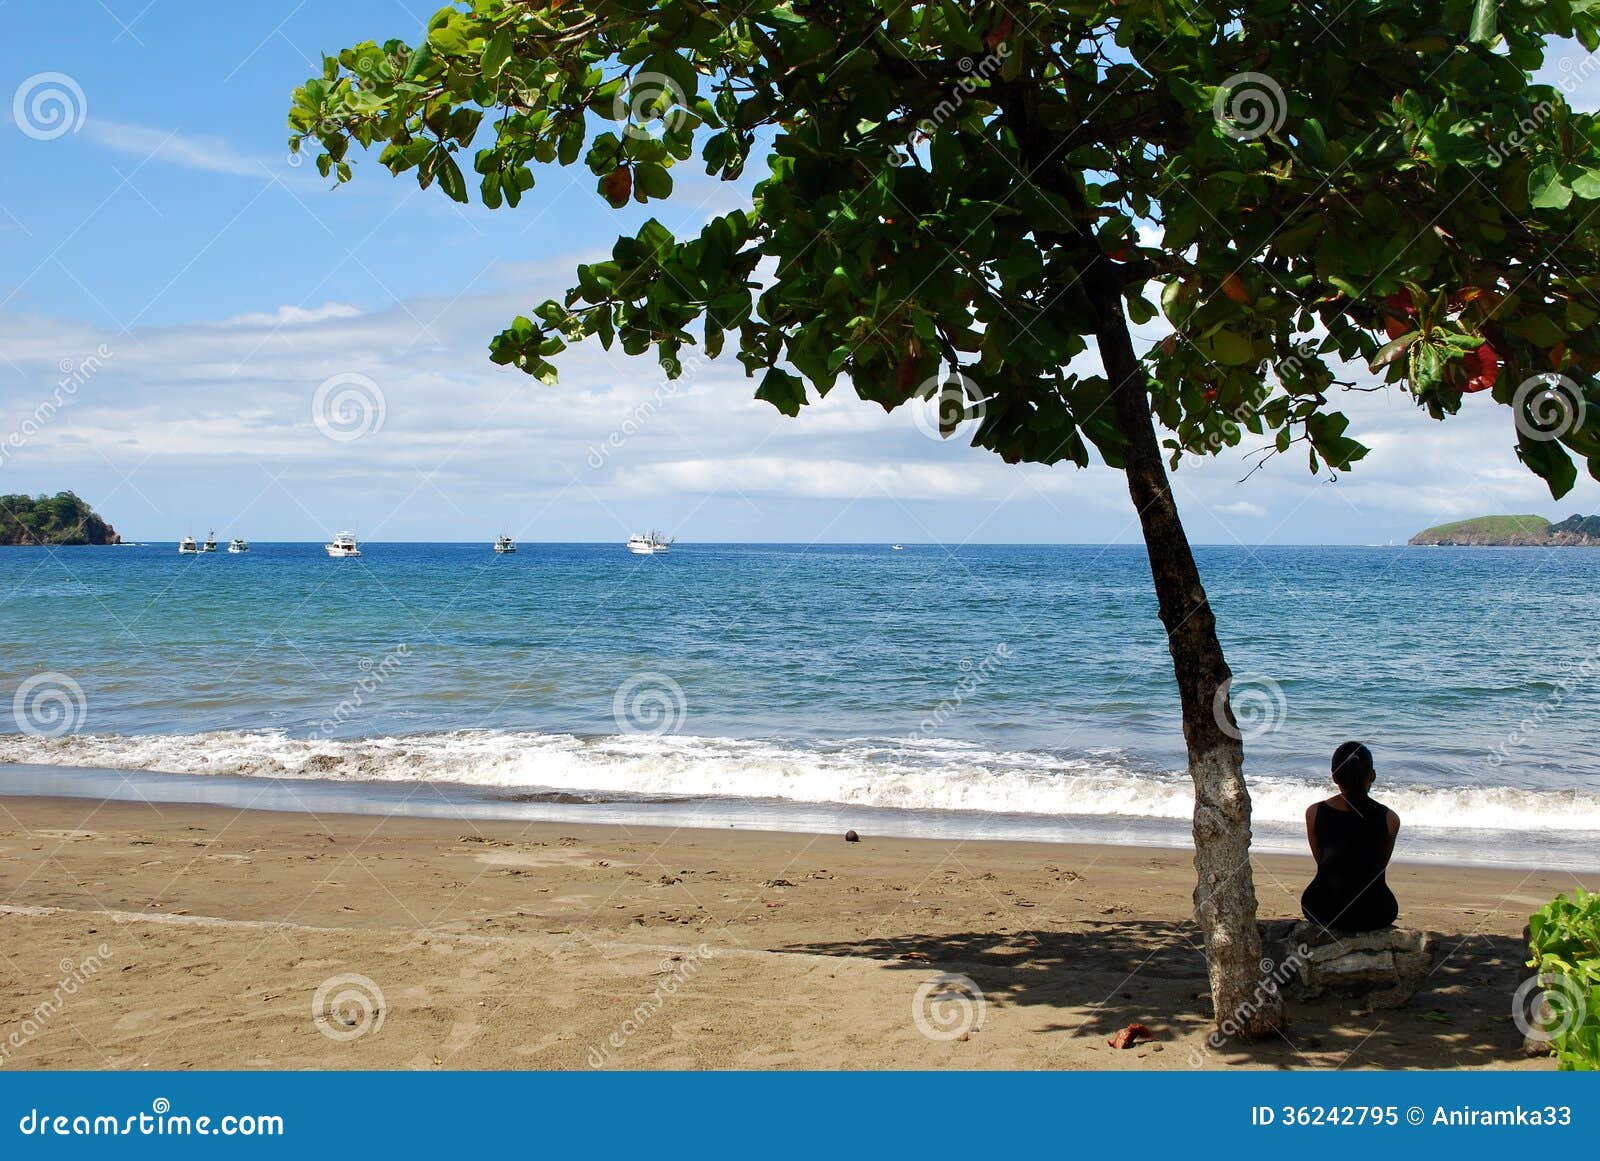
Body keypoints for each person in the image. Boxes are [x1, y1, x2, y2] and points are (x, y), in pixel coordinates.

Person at [1300, 741, 1400, 931]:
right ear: (1372, 775)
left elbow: (1322, 861)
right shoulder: (1390, 818)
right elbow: (1379, 865)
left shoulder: (1314, 813)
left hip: (1321, 908)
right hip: (1377, 911)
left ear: (1334, 777)